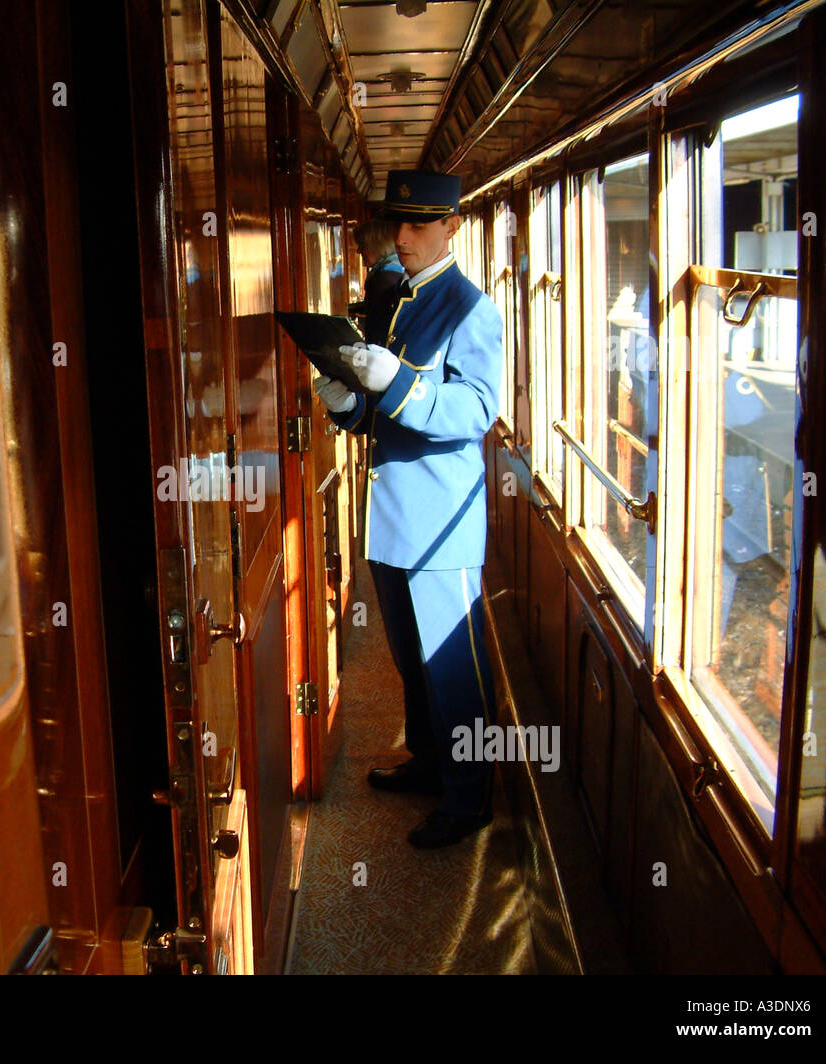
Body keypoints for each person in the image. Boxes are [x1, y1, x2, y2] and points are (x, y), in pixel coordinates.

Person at [314, 170, 504, 849]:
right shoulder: (400, 303)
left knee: (454, 671)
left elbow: (477, 409)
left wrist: (395, 382)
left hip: (440, 522)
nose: (403, 236)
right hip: (393, 517)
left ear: (452, 226)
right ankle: (431, 764)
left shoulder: (470, 309)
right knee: (414, 663)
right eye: (399, 223)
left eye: (419, 224)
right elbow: (385, 414)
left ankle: (469, 797)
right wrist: (350, 405)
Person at [348, 219, 404, 348]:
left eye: (363, 245)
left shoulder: (383, 278)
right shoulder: (396, 271)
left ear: (378, 246)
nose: (358, 251)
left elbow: (377, 322)